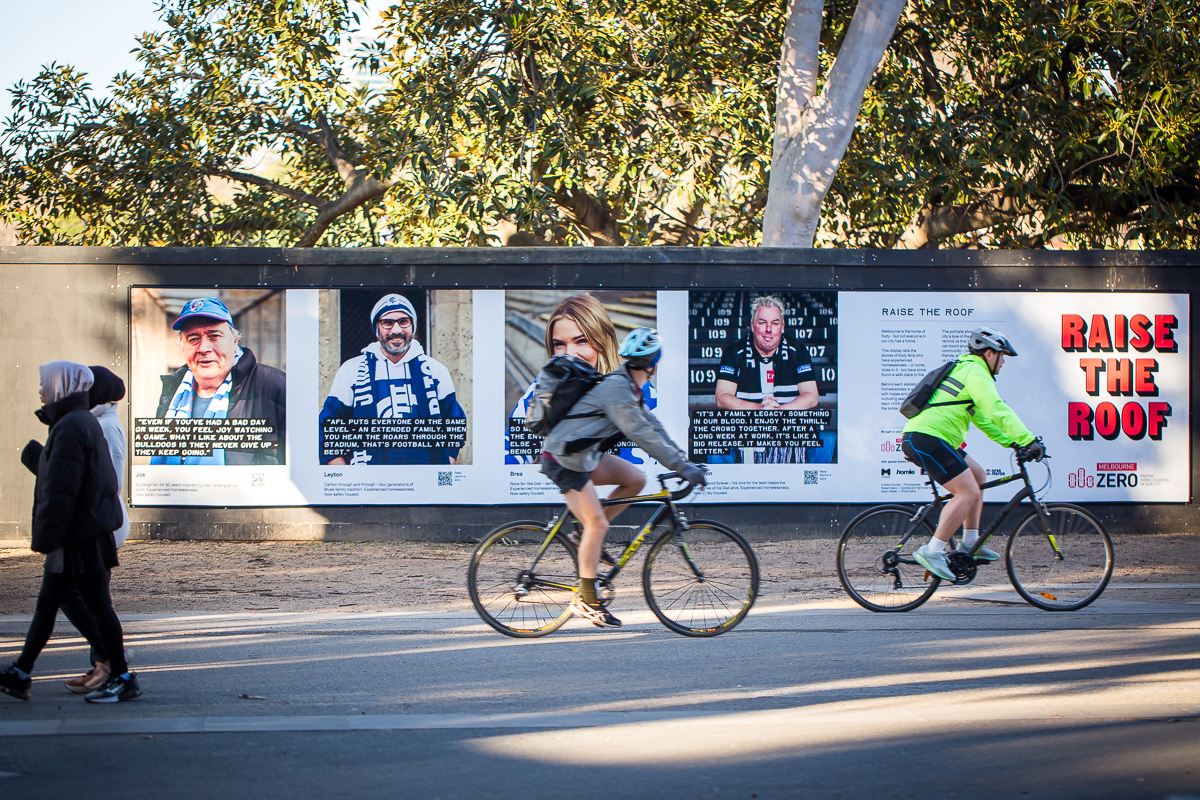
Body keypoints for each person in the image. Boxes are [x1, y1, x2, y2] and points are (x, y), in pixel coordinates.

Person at [535, 327, 707, 629]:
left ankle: (582, 536)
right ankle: (587, 600)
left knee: (635, 479)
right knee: (598, 525)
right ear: (653, 364)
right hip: (563, 459)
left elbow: (654, 427)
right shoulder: (618, 389)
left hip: (582, 455)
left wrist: (684, 462)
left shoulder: (629, 388)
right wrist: (682, 468)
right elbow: (641, 434)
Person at [0, 362, 140, 704]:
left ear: (61, 387)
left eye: (44, 384)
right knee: (50, 605)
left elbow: (63, 490)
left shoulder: (73, 426)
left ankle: (122, 677)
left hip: (79, 536)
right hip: (79, 533)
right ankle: (21, 673)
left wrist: (47, 537)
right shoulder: (77, 422)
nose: (40, 391)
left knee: (96, 607)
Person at [901, 327, 1045, 581]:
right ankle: (932, 550)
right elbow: (996, 409)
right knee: (967, 492)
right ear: (989, 354)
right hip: (928, 438)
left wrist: (1014, 443)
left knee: (978, 476)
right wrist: (1028, 439)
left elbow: (985, 420)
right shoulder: (976, 371)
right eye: (1002, 356)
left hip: (934, 438)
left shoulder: (966, 370)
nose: (1003, 363)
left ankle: (970, 542)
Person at [507, 294, 656, 464]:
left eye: (581, 341)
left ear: (603, 342)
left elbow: (643, 465)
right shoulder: (543, 388)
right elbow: (512, 454)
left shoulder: (640, 392)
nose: (570, 354)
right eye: (559, 344)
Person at [321, 293, 466, 465]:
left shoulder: (435, 371)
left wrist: (443, 465)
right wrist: (347, 476)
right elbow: (327, 428)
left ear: (413, 326)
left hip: (424, 479)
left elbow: (455, 424)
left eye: (403, 321)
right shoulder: (351, 371)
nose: (396, 330)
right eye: (387, 323)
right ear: (377, 328)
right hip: (369, 479)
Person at [57, 366, 132, 693]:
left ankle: (108, 660)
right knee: (89, 597)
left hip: (99, 525)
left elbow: (108, 482)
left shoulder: (106, 427)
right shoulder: (95, 423)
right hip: (95, 523)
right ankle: (104, 662)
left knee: (86, 597)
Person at [152, 297, 286, 465]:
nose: (204, 348)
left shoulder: (275, 386)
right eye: (193, 339)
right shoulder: (173, 390)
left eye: (214, 336)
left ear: (234, 342)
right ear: (183, 347)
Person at [714, 295, 819, 463]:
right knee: (716, 439)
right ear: (752, 326)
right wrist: (758, 409)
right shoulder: (734, 352)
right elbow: (722, 397)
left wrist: (781, 410)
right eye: (762, 322)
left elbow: (811, 396)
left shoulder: (798, 351)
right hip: (747, 425)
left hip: (788, 426)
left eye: (775, 323)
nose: (769, 329)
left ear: (782, 327)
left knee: (825, 440)